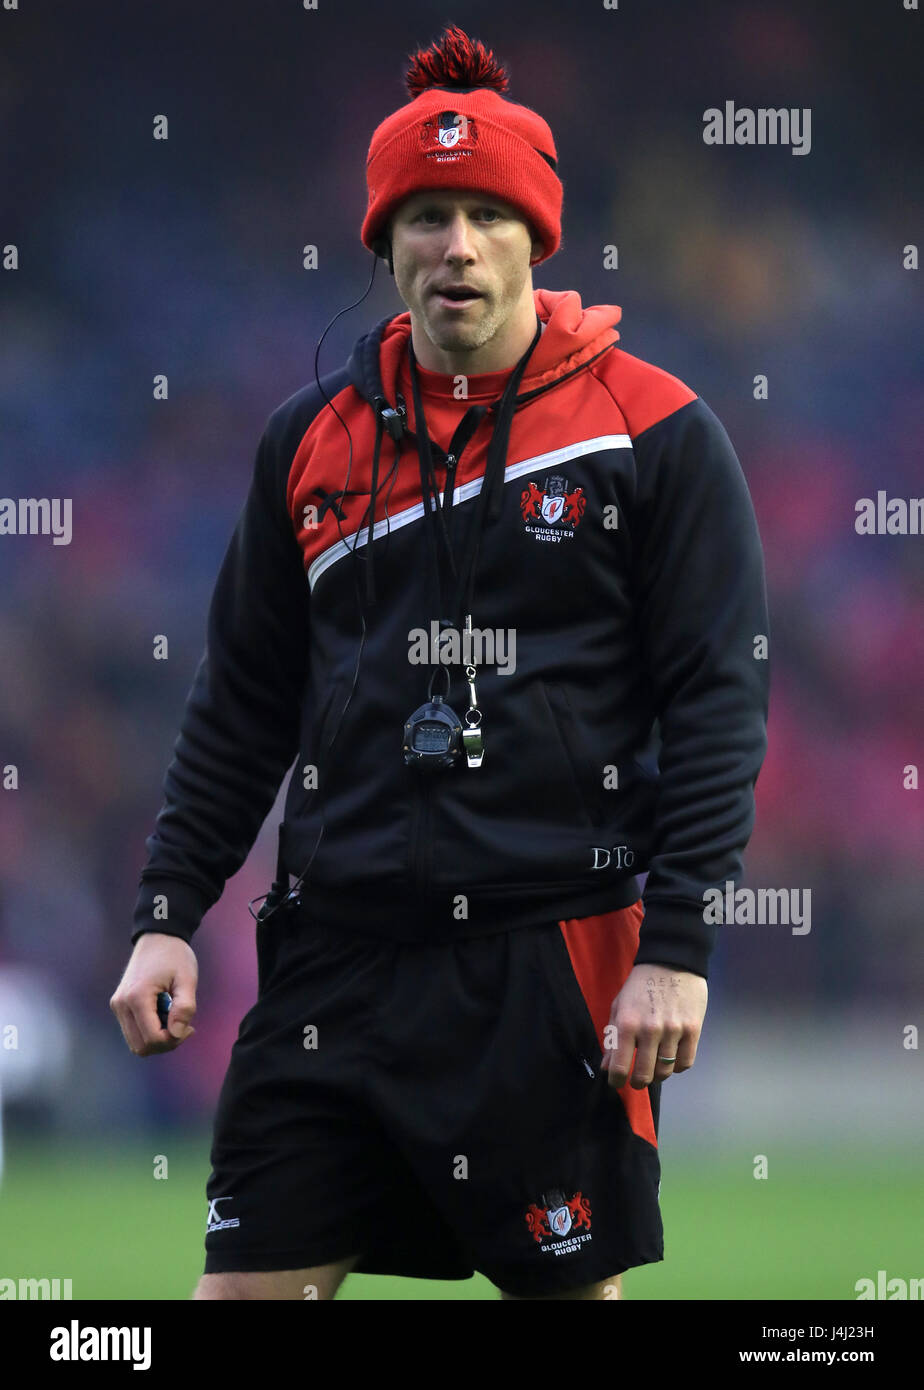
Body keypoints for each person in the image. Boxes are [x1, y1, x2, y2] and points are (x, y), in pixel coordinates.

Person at [110, 24, 769, 1301]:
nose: (453, 246)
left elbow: (718, 702)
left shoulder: (660, 433)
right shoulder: (307, 444)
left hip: (549, 961)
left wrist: (678, 945)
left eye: (484, 215)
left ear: (536, 239)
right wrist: (165, 916)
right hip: (331, 964)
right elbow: (240, 706)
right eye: (423, 217)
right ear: (382, 244)